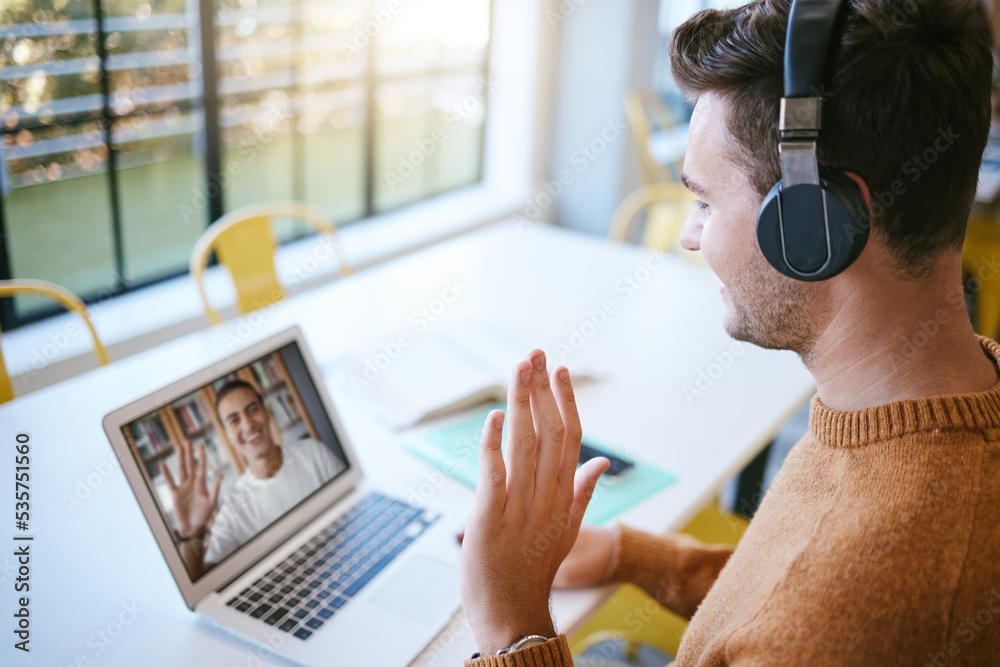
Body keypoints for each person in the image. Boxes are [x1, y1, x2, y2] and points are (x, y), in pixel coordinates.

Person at [459, 0, 1000, 664]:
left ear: (815, 225)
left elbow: (818, 618)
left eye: (705, 201)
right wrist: (632, 554)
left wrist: (512, 627)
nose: (689, 233)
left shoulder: (835, 625)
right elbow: (790, 596)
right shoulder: (951, 403)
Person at [160, 380, 343, 578]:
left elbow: (355, 504)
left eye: (252, 410)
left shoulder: (314, 452)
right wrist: (191, 534)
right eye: (234, 420)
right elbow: (202, 583)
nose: (247, 424)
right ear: (228, 436)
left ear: (266, 414)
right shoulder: (232, 511)